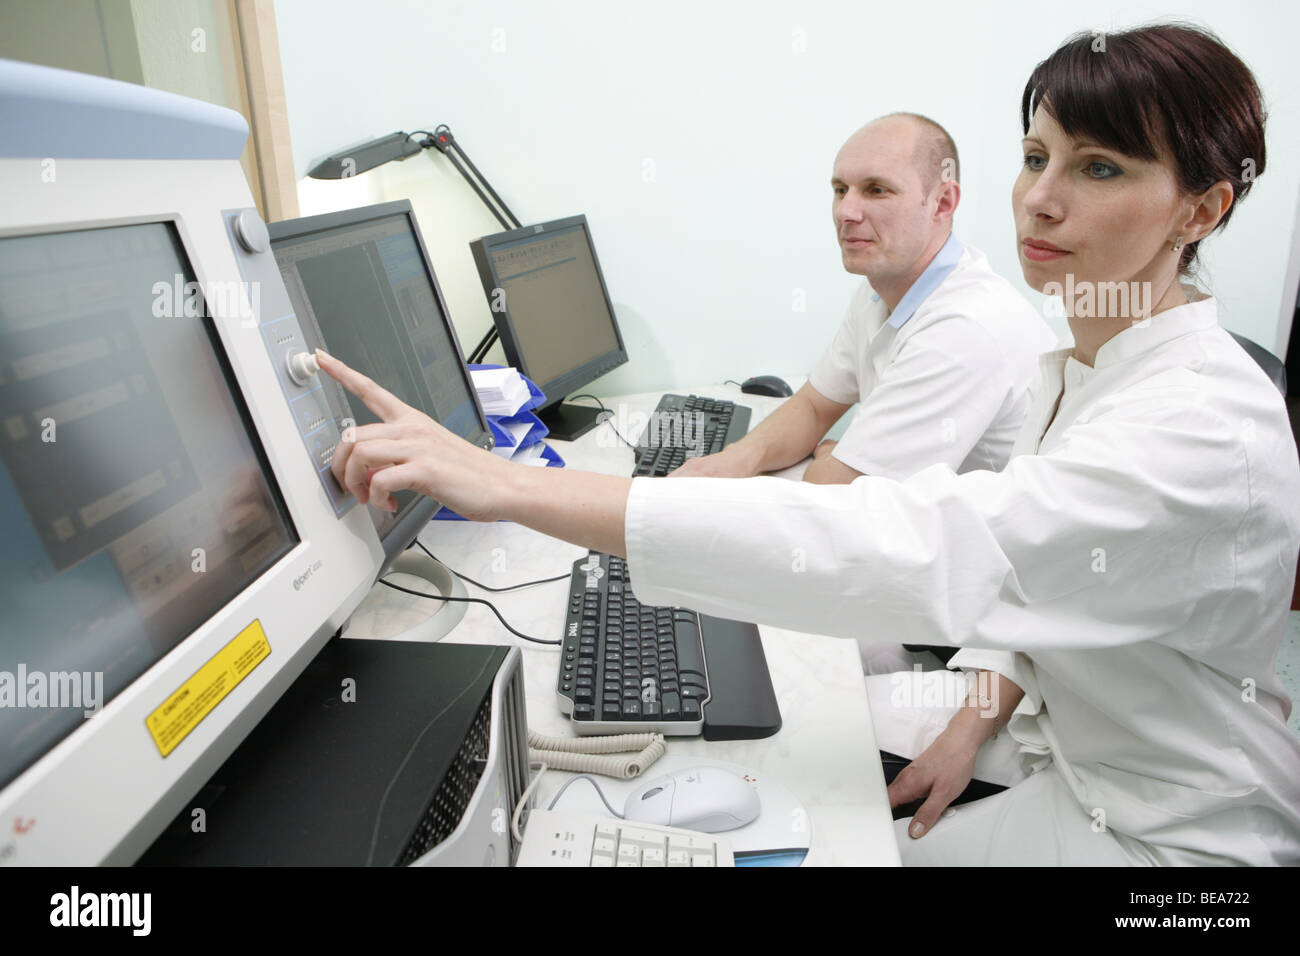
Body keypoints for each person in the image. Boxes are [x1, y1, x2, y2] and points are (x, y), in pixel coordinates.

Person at [316, 23, 1300, 865]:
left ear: (1202, 207)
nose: (1040, 198)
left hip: (1170, 835)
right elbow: (1042, 571)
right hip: (1070, 743)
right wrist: (975, 710)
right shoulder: (1083, 362)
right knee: (794, 766)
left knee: (810, 822)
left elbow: (914, 539)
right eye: (1036, 155)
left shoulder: (1199, 427)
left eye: (1098, 167)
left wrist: (510, 486)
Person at [673, 113, 1054, 490]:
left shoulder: (966, 327)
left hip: (979, 547)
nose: (845, 212)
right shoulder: (881, 286)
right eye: (841, 190)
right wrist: (736, 459)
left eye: (876, 190)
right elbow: (814, 405)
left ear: (941, 203)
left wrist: (833, 461)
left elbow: (840, 495)